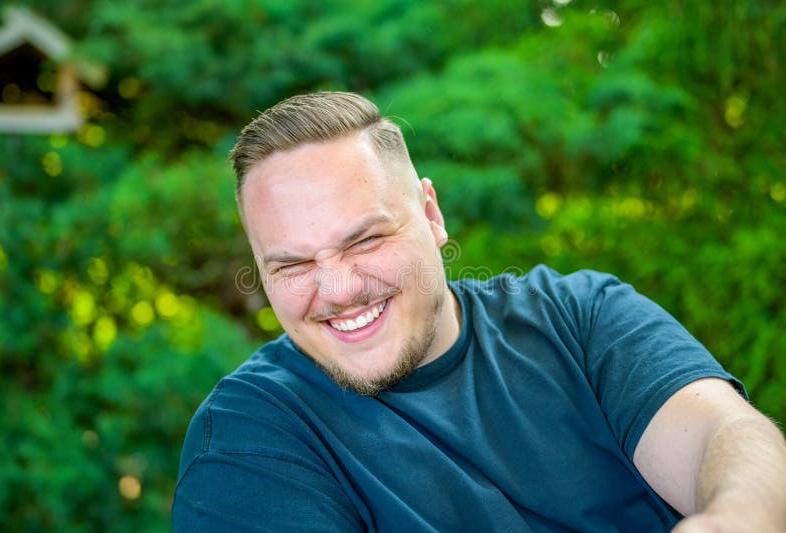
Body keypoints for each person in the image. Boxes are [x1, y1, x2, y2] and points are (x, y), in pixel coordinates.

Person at [172, 92, 786, 532]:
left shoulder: (580, 318)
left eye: (364, 241)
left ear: (432, 214)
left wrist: (736, 516)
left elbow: (723, 435)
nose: (336, 288)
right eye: (293, 266)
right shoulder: (247, 437)